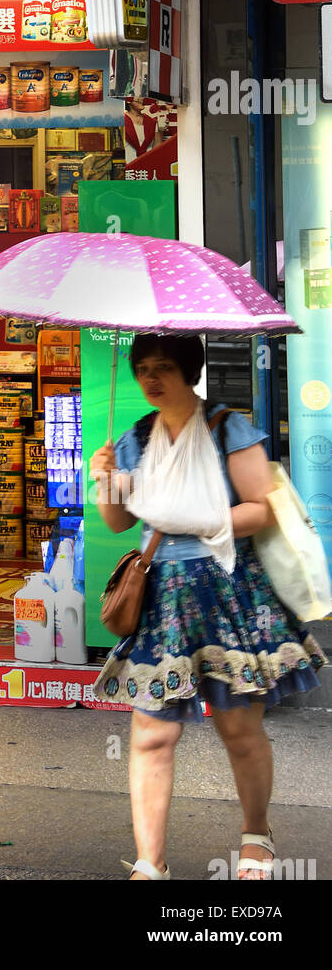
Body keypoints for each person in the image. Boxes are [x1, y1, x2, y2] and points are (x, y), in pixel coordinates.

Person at [89, 333, 326, 881]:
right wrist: (104, 477)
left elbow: (260, 510)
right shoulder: (136, 438)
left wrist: (192, 516)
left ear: (189, 370)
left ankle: (256, 836)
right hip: (164, 595)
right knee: (152, 731)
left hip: (225, 588)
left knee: (239, 729)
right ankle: (150, 863)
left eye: (163, 367)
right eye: (142, 368)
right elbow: (120, 522)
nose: (151, 378)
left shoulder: (227, 427)